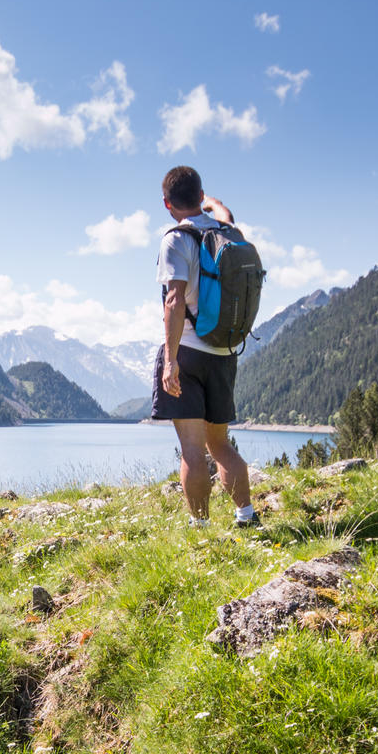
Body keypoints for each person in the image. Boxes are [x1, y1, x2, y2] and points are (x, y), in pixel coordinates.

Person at [151, 165, 259, 528]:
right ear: (200, 196)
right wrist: (211, 202)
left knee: (193, 450)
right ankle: (246, 515)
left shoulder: (176, 240)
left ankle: (200, 528)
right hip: (224, 352)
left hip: (188, 351)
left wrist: (170, 361)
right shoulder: (228, 232)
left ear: (167, 203)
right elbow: (225, 213)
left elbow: (174, 301)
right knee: (220, 444)